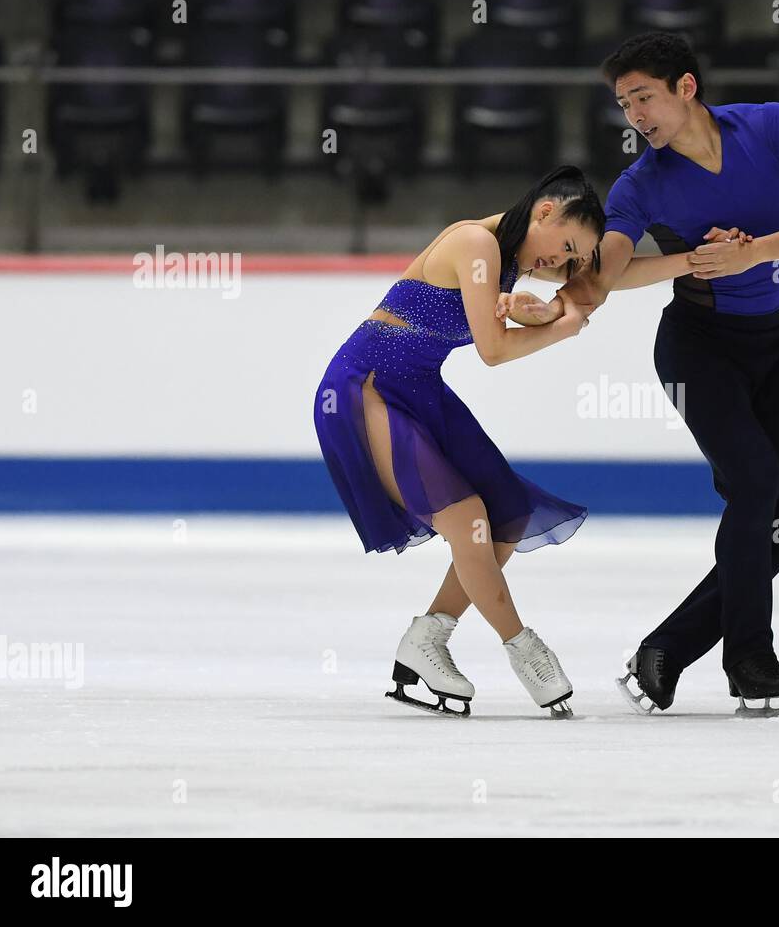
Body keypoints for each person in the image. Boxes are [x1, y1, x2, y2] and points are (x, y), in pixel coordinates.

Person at [314, 164, 745, 718]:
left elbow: (602, 281)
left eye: (571, 259)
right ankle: (523, 648)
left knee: (509, 513)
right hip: (365, 388)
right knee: (470, 517)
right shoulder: (476, 244)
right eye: (565, 246)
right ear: (545, 209)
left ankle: (426, 639)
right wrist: (557, 327)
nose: (560, 264)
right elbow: (493, 351)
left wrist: (692, 262)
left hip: (420, 389)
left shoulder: (514, 262)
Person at [535, 32, 779, 716]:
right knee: (755, 481)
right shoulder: (642, 183)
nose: (635, 116)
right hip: (698, 350)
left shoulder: (770, 127)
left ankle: (666, 647)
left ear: (686, 87)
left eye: (644, 98)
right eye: (625, 105)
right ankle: (749, 656)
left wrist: (758, 254)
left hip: (773, 345)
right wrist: (548, 299)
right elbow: (606, 276)